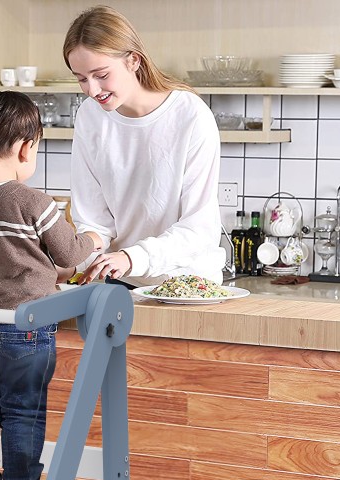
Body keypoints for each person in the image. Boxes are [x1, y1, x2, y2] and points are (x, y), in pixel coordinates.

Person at [0, 89, 102, 480]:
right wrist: (93, 238)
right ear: (25, 147)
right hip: (26, 327)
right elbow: (70, 254)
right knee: (23, 408)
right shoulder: (33, 201)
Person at [63, 5, 225, 286]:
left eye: (101, 75)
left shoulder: (190, 115)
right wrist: (68, 258)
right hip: (122, 281)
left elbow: (198, 228)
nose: (91, 90)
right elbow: (94, 222)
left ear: (133, 60)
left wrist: (131, 257)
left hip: (186, 283)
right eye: (81, 78)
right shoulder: (90, 116)